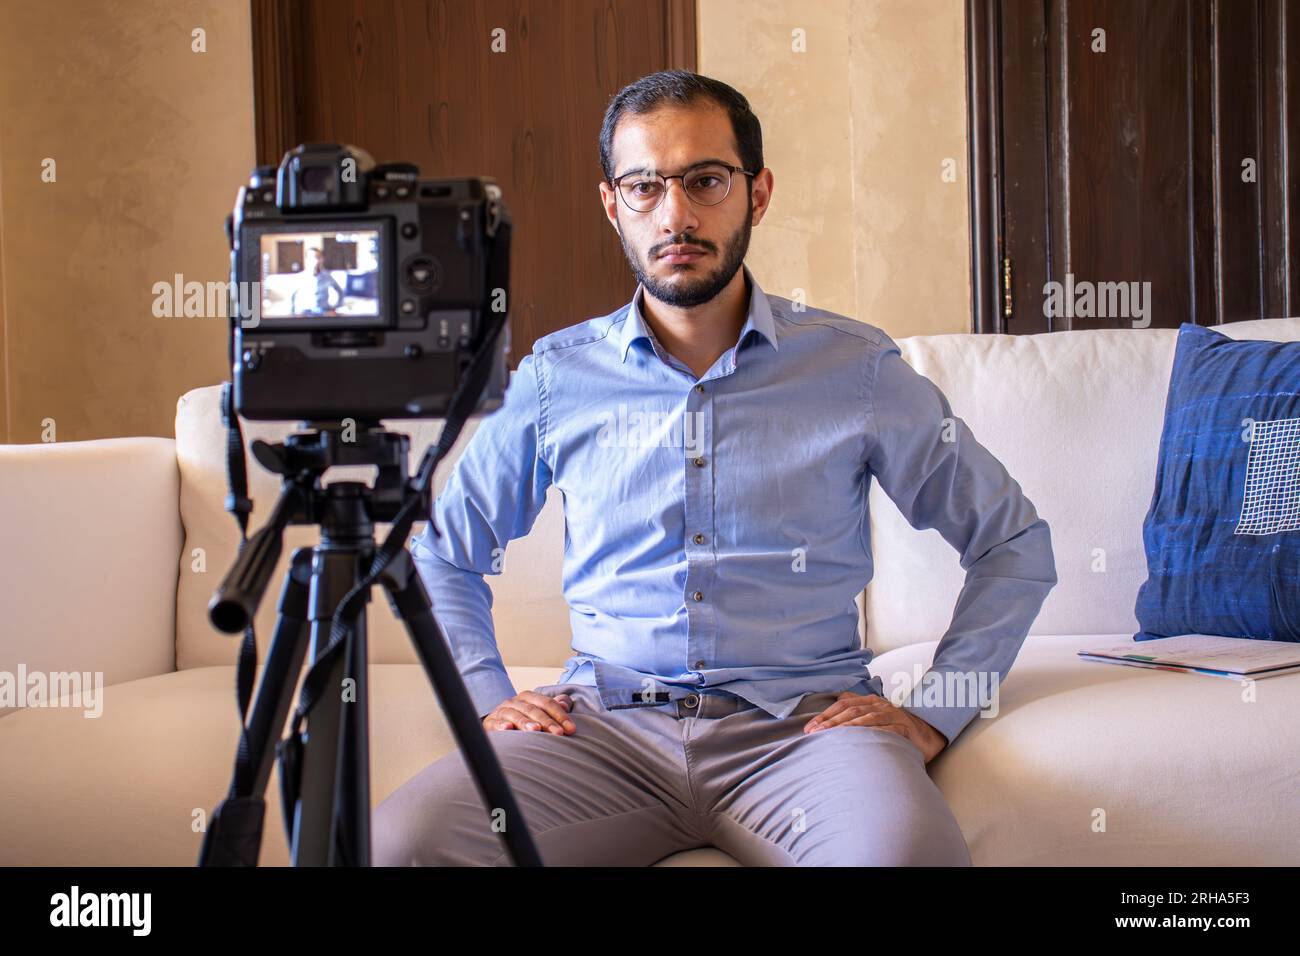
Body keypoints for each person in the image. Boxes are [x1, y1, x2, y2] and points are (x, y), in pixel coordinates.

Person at [373, 70, 1057, 866]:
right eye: (644, 185)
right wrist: (486, 697)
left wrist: (940, 709)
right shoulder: (557, 378)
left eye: (706, 180)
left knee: (906, 858)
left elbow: (1013, 543)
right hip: (600, 732)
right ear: (612, 204)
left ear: (756, 193)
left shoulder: (858, 370)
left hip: (805, 735)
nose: (676, 214)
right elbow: (442, 553)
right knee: (401, 845)